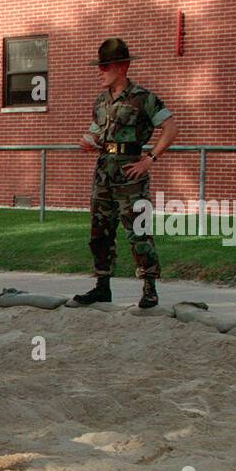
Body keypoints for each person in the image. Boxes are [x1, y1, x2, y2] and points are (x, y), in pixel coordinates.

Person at [74, 38, 178, 310]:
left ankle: (149, 288)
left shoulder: (143, 98)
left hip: (131, 177)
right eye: (100, 65)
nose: (101, 71)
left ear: (122, 66)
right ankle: (102, 286)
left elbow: (170, 128)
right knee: (99, 233)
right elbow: (95, 131)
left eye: (105, 65)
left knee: (139, 232)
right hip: (103, 174)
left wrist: (150, 159)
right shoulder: (101, 101)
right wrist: (88, 142)